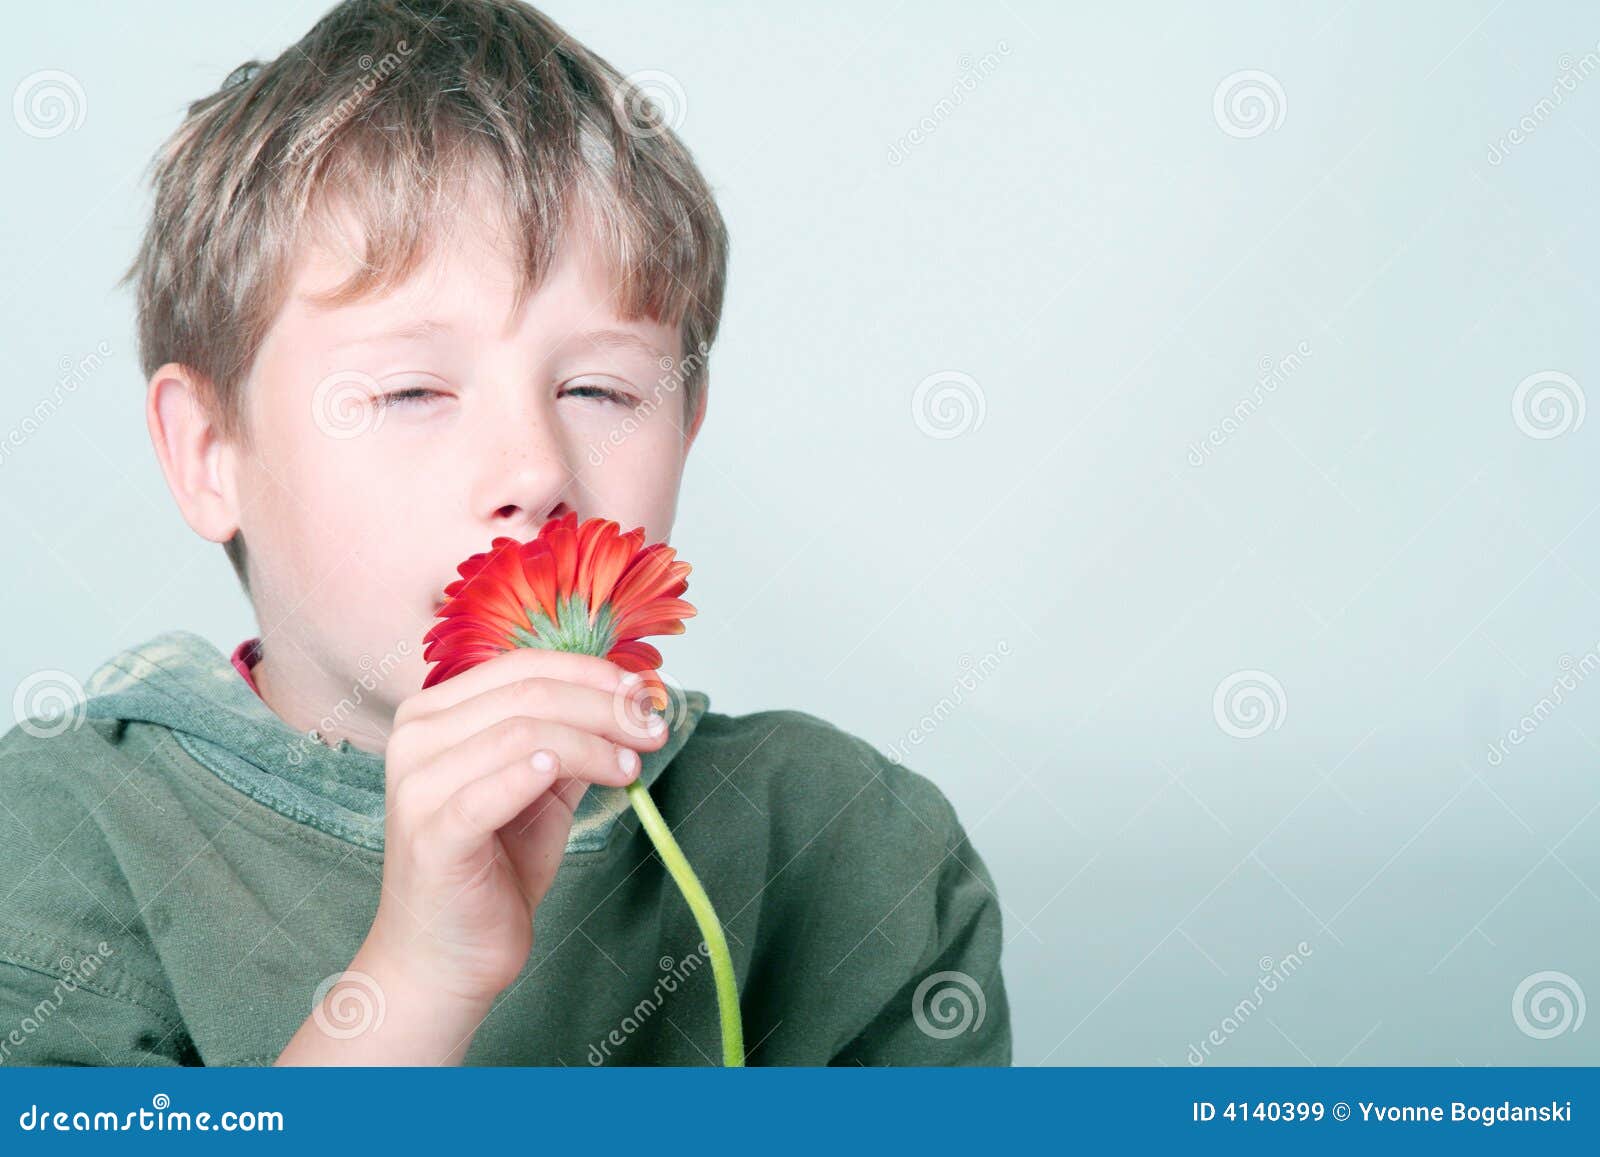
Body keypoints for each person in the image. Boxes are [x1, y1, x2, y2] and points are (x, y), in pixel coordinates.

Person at [0, 0, 1010, 1066]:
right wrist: (416, 977)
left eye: (598, 388)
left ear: (686, 426)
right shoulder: (54, 835)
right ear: (209, 452)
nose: (534, 471)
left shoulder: (849, 842)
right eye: (411, 391)